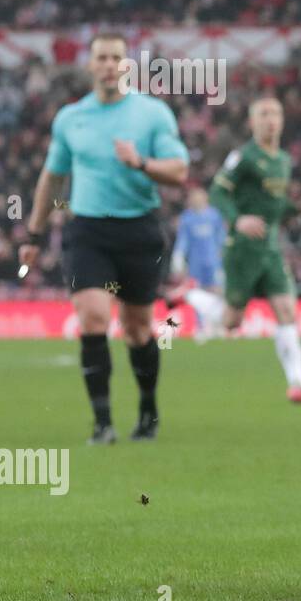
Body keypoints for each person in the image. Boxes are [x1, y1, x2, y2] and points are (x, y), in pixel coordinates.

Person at [18, 32, 189, 443]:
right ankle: (102, 423)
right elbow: (52, 178)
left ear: (126, 65)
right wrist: (34, 233)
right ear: (90, 65)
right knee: (93, 317)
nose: (109, 64)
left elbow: (180, 171)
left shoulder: (152, 115)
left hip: (139, 228)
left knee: (137, 329)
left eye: (116, 57)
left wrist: (141, 162)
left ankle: (147, 411)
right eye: (102, 58)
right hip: (88, 229)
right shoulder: (71, 118)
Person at [209, 96, 301, 403]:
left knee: (287, 310)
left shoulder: (284, 160)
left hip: (270, 249)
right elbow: (217, 191)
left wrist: (297, 208)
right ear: (252, 121)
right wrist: (238, 220)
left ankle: (299, 384)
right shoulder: (244, 157)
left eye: (275, 113)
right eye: (263, 113)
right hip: (242, 249)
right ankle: (189, 297)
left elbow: (274, 207)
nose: (270, 119)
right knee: (231, 321)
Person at [164, 186, 227, 342]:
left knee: (218, 293)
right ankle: (201, 327)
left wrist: (224, 256)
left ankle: (218, 324)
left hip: (214, 262)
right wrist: (178, 256)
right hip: (195, 264)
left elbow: (221, 238)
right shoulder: (187, 218)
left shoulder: (214, 216)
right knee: (197, 294)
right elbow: (183, 240)